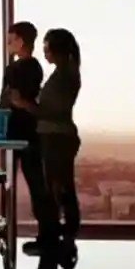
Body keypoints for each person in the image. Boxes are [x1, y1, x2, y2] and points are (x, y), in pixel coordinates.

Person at [11, 28, 82, 253]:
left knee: (59, 191)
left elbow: (53, 112)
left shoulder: (63, 77)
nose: (44, 52)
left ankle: (58, 240)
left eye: (47, 47)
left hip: (56, 138)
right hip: (55, 137)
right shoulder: (63, 74)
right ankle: (61, 239)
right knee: (59, 189)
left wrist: (24, 105)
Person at [0, 21, 55, 256]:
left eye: (11, 39)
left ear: (21, 41)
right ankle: (48, 236)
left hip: (18, 133)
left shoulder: (17, 69)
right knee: (37, 186)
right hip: (29, 132)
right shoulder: (34, 68)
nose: (8, 44)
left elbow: (10, 101)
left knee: (34, 186)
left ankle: (45, 237)